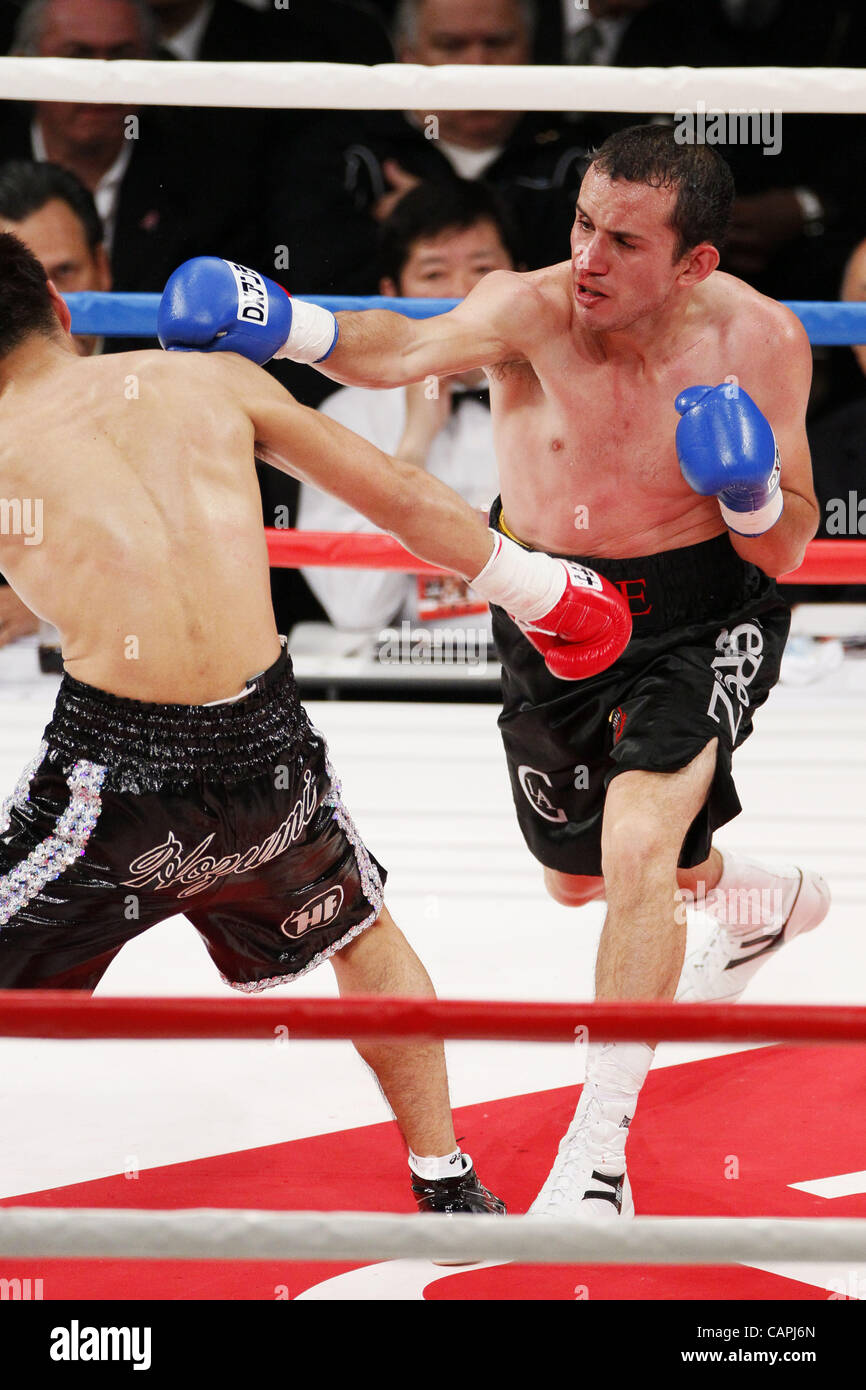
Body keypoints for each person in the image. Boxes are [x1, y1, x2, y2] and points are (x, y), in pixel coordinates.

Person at [171, 125, 833, 1220]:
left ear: (694, 263)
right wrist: (282, 319)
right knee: (583, 879)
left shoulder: (759, 341)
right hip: (548, 604)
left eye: (623, 240)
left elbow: (786, 545)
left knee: (634, 846)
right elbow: (392, 349)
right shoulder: (530, 310)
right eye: (581, 223)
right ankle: (750, 896)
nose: (586, 258)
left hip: (703, 611)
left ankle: (599, 1151)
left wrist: (752, 491)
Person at [0, 232, 630, 1214]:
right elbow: (402, 497)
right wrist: (541, 587)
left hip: (115, 787)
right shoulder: (208, 382)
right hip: (270, 755)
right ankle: (446, 1179)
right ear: (60, 302)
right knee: (363, 926)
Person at [295, 179, 518, 635]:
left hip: (552, 672)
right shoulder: (348, 417)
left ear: (523, 280)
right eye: (434, 274)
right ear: (390, 294)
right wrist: (411, 450)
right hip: (398, 682)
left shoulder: (571, 397)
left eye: (483, 269)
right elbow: (356, 609)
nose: (463, 294)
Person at [0, 159, 112, 656]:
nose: (45, 302)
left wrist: (49, 601)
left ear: (102, 266)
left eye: (67, 270)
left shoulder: (172, 380)